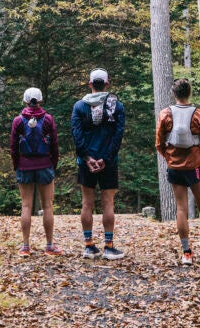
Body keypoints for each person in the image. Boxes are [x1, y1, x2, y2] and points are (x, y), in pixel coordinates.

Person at [155, 78, 200, 265]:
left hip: (174, 167)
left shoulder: (165, 114)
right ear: (189, 92)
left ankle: (186, 253)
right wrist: (199, 157)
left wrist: (170, 158)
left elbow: (159, 143)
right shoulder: (199, 114)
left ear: (174, 94)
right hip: (195, 167)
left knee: (181, 208)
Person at [71, 68, 126, 260]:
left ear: (90, 84)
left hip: (86, 162)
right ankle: (109, 247)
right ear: (107, 84)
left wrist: (87, 158)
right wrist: (106, 158)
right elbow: (118, 135)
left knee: (87, 203)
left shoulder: (79, 106)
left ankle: (89, 245)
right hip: (108, 162)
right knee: (108, 203)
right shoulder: (116, 106)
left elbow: (76, 135)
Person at [10, 87, 63, 257]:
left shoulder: (18, 120)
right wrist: (53, 164)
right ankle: (49, 246)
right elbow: (54, 145)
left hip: (24, 165)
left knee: (26, 205)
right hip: (44, 165)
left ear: (25, 101)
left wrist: (17, 165)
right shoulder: (48, 119)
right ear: (40, 100)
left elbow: (13, 147)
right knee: (47, 205)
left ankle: (25, 246)